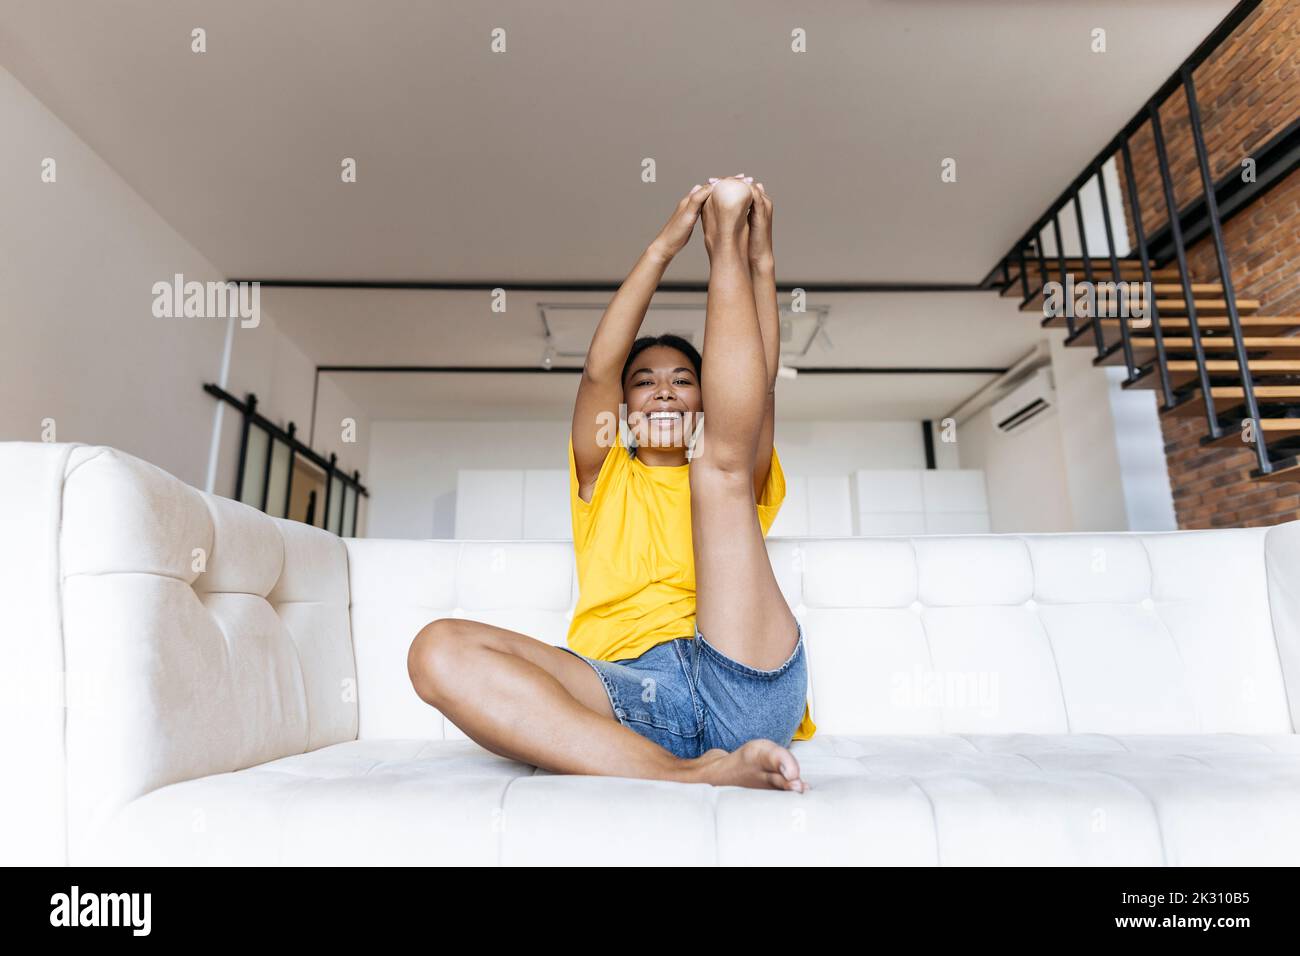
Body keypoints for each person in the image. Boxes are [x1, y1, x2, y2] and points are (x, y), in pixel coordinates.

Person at [408, 174, 813, 791]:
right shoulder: (603, 474)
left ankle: (723, 247)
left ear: (708, 400)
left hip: (744, 679)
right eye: (645, 382)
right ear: (622, 409)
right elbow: (599, 366)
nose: (665, 391)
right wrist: (661, 249)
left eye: (683, 379)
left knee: (717, 469)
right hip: (626, 701)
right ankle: (689, 774)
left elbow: (756, 389)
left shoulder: (732, 468)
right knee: (435, 651)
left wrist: (757, 261)